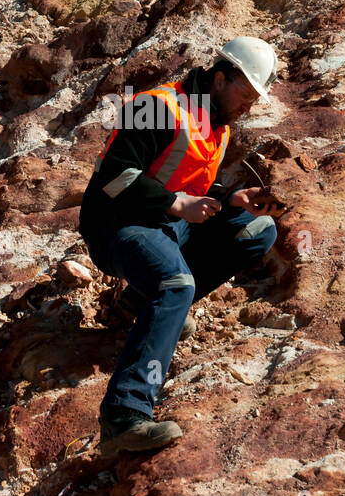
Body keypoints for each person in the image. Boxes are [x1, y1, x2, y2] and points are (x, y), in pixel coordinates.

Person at [78, 36, 281, 454]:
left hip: (167, 225)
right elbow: (113, 178)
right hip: (120, 227)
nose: (248, 107)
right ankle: (123, 415)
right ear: (221, 79)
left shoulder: (217, 124)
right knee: (176, 285)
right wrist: (176, 203)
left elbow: (191, 182)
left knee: (257, 231)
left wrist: (228, 199)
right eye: (245, 95)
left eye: (254, 101)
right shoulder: (156, 107)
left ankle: (138, 301)